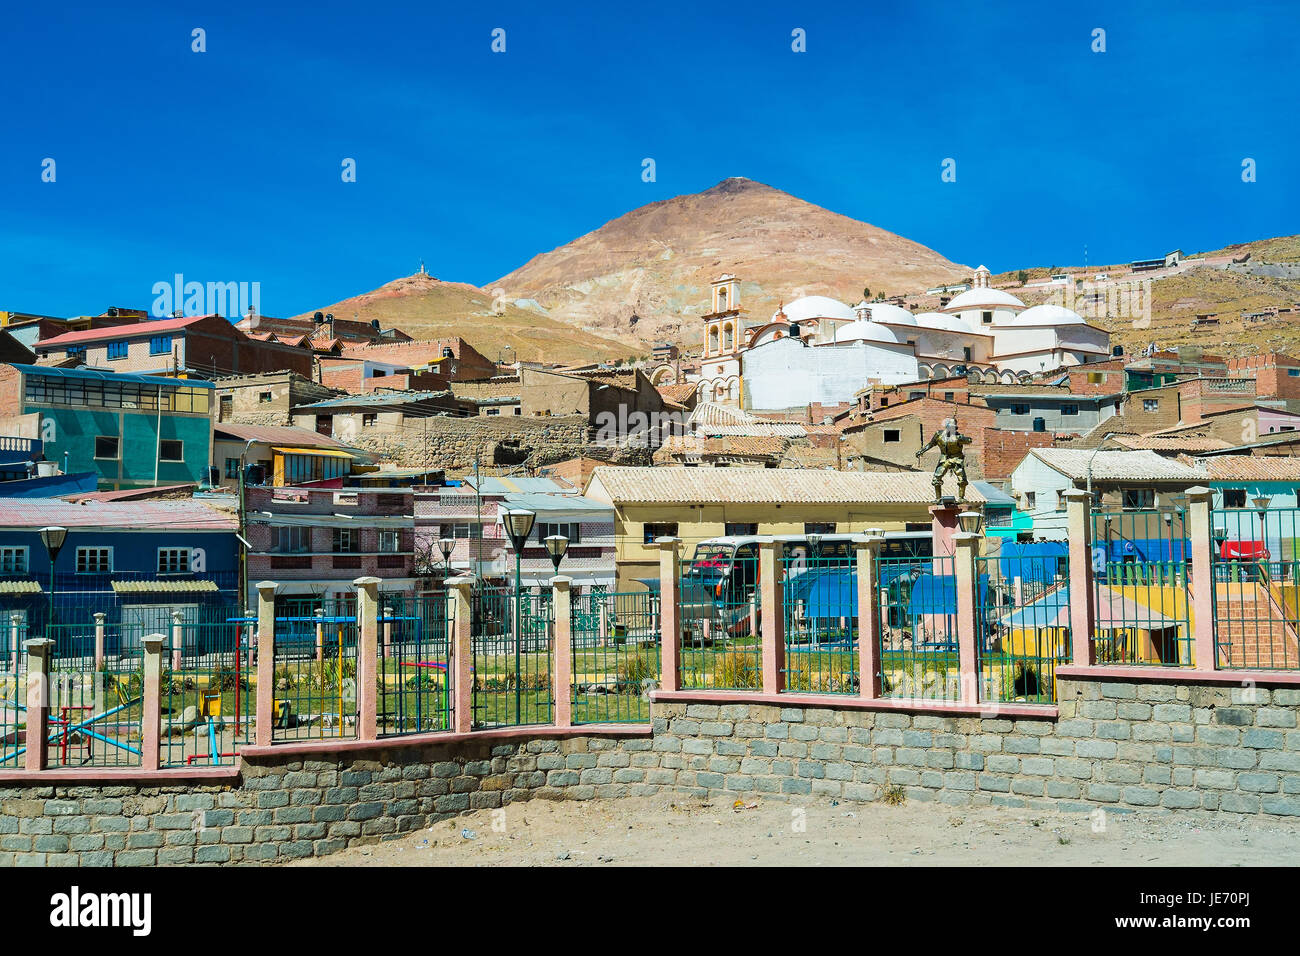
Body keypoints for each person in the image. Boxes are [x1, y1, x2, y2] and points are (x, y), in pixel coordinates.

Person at [916, 417, 973, 502]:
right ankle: (938, 498)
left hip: (956, 458)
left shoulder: (958, 437)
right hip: (944, 458)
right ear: (946, 427)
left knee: (962, 479)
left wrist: (963, 438)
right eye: (950, 427)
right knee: (936, 478)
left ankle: (961, 498)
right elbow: (931, 444)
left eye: (954, 428)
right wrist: (922, 450)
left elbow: (969, 440)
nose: (952, 429)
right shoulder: (939, 435)